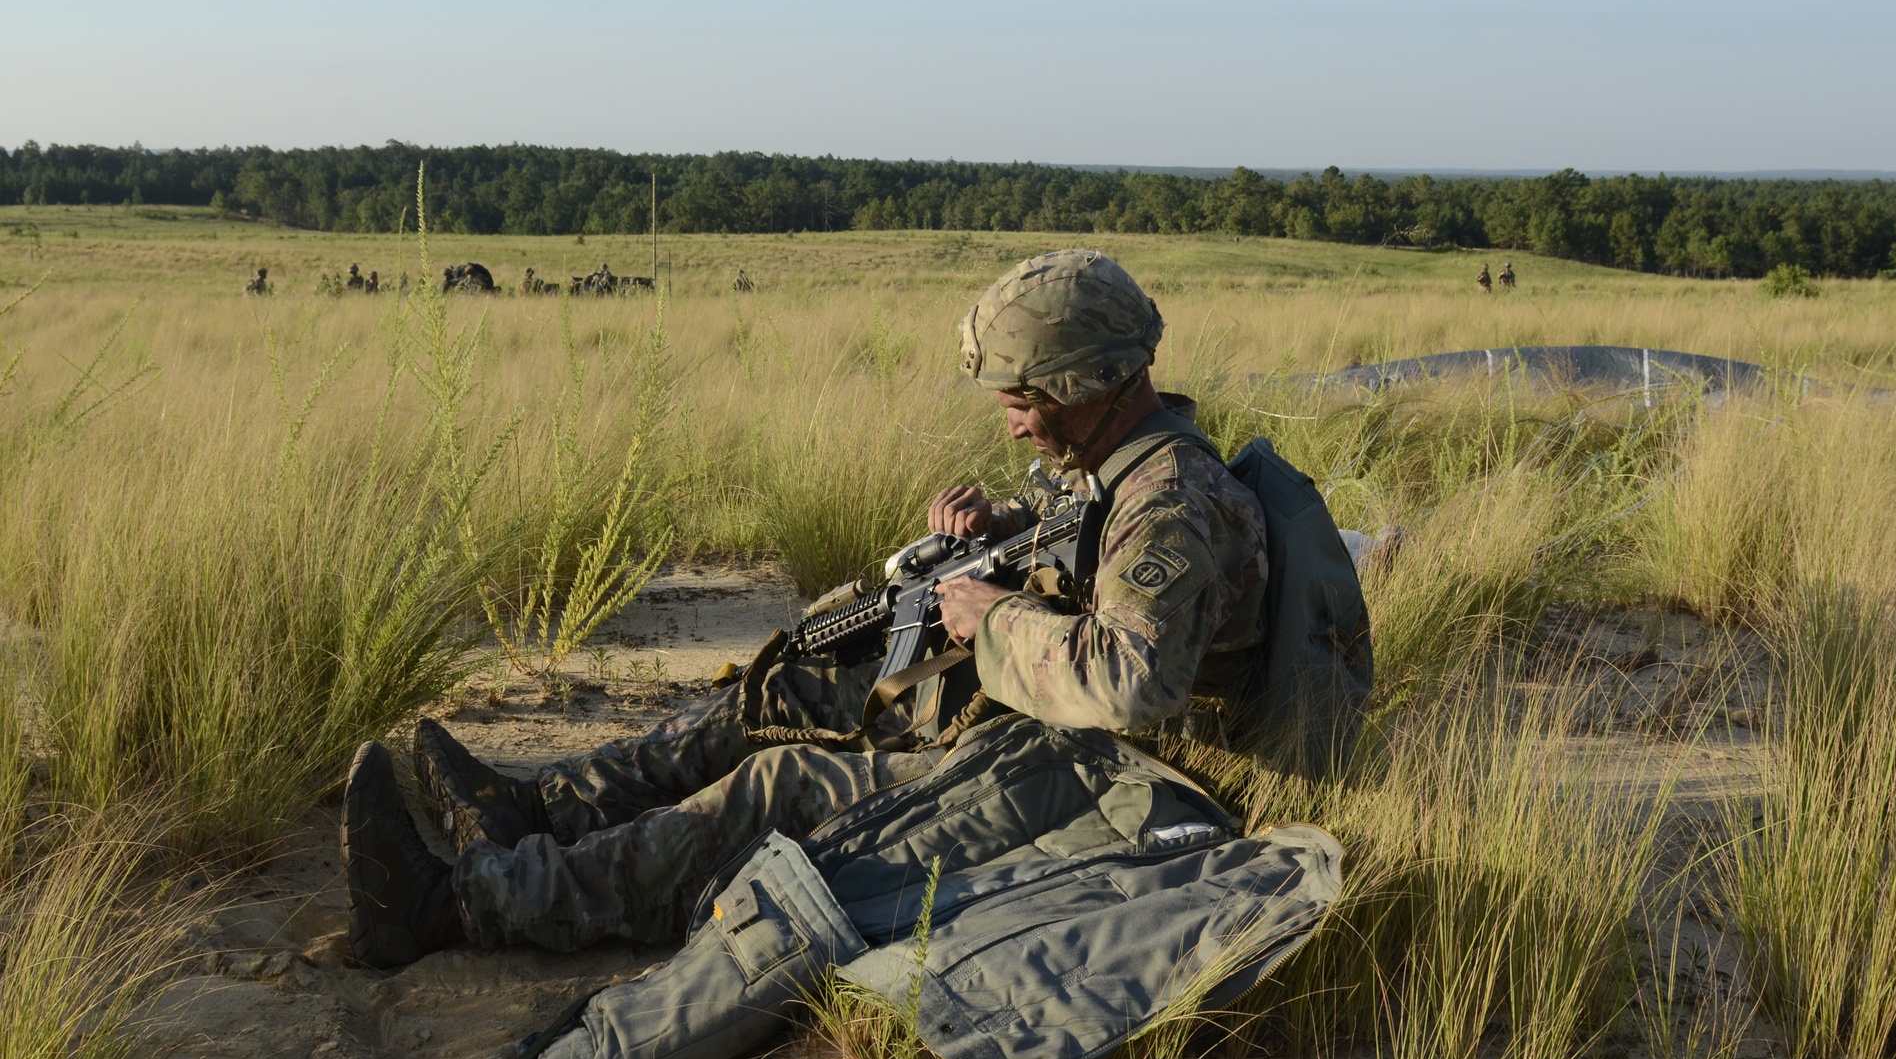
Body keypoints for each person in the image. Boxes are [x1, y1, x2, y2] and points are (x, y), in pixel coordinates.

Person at [342, 249, 1282, 970]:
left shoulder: (1171, 503)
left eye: (1022, 400)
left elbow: (1131, 679)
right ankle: (532, 809)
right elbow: (1099, 566)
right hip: (1030, 724)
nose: (1010, 422)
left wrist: (991, 617)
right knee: (788, 683)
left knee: (782, 786)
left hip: (1098, 778)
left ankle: (458, 903)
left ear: (1082, 382)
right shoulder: (1123, 469)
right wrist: (1008, 530)